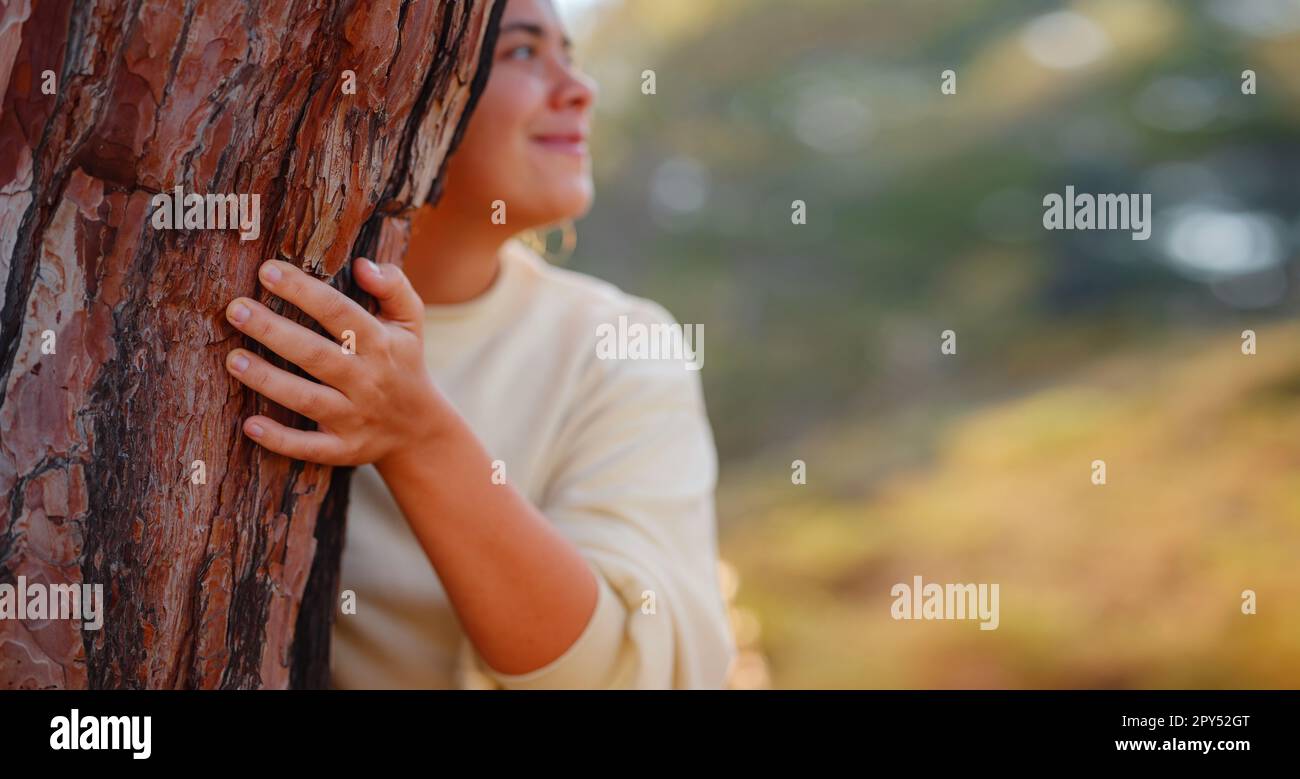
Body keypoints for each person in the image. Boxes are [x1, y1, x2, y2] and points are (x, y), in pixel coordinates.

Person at [221, 0, 734, 688]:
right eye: (523, 52)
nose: (580, 88)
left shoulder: (618, 345)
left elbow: (622, 672)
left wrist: (417, 436)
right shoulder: (264, 310)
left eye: (568, 54)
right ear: (400, 78)